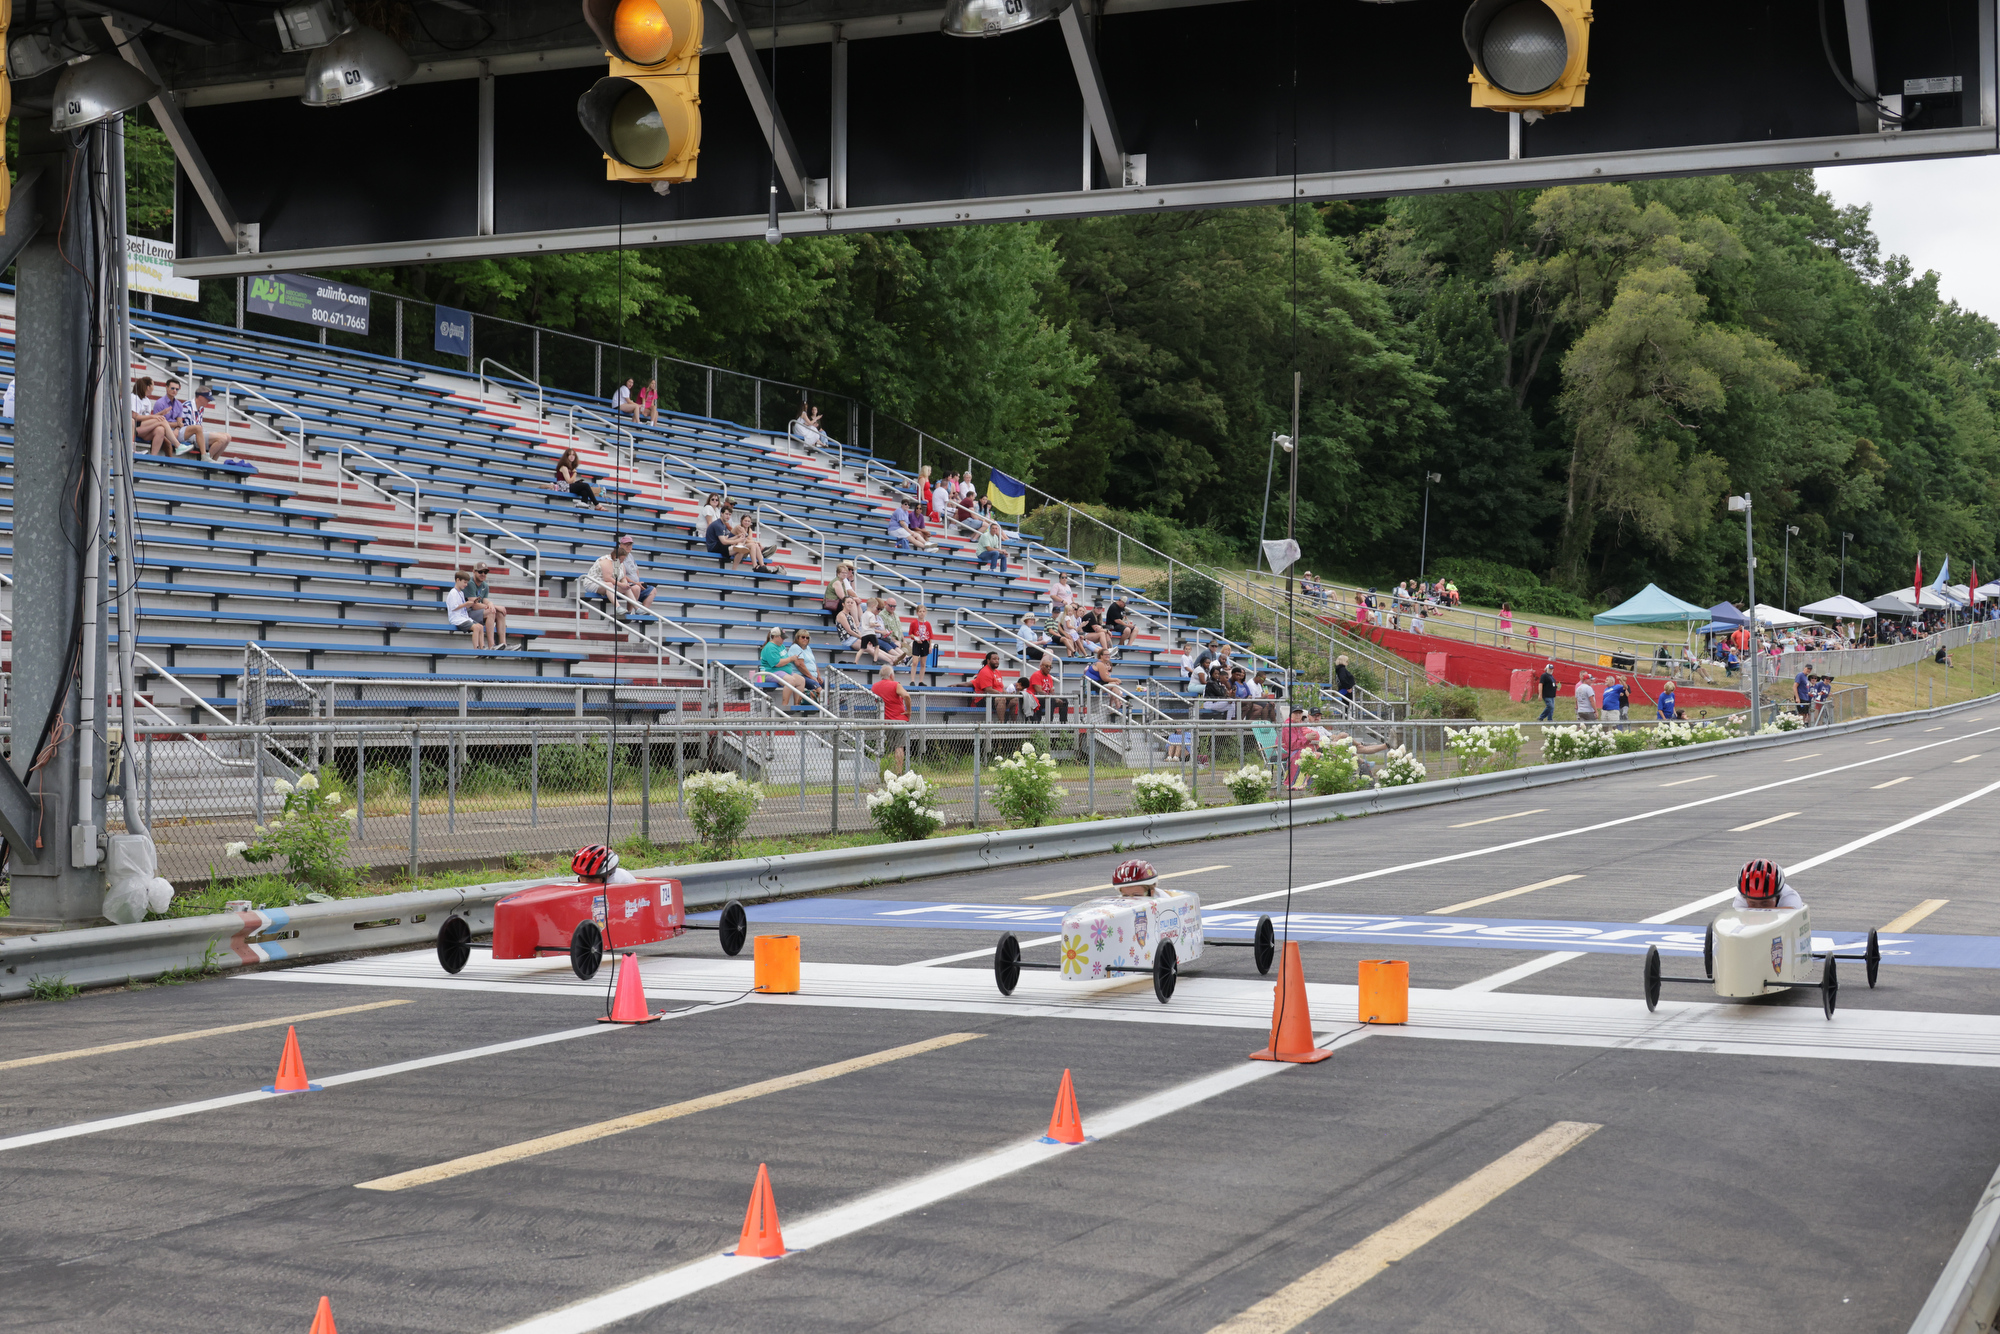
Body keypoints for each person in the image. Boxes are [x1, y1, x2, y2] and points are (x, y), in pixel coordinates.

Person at [586, 535, 656, 609]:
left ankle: (640, 611)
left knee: (652, 590)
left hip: (623, 584)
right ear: (620, 545)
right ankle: (625, 610)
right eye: (626, 544)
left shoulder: (629, 557)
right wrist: (628, 584)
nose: (628, 546)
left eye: (630, 545)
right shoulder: (609, 560)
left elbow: (626, 575)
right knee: (633, 588)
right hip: (598, 583)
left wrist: (633, 583)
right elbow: (608, 578)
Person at [871, 663, 912, 773]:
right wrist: (908, 710)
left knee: (890, 746)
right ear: (891, 675)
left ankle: (888, 770)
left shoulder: (875, 687)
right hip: (899, 719)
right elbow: (907, 696)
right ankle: (898, 771)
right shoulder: (895, 685)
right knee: (899, 747)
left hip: (885, 720)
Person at [760, 627, 806, 709]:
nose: (783, 640)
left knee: (801, 680)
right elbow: (777, 663)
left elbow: (784, 659)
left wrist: (791, 659)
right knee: (791, 680)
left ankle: (797, 705)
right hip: (772, 672)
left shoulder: (781, 646)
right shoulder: (770, 647)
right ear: (775, 636)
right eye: (782, 637)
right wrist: (791, 659)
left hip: (784, 671)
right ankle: (785, 706)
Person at [444, 571, 491, 649]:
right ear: (458, 580)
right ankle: (476, 649)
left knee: (480, 627)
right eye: (464, 582)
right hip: (457, 619)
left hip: (464, 617)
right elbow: (454, 607)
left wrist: (471, 603)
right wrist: (466, 604)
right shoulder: (453, 593)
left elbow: (463, 607)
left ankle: (482, 648)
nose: (466, 585)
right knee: (476, 628)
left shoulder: (461, 593)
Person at [466, 564, 510, 647]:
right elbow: (474, 605)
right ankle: (491, 645)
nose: (483, 574)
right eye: (480, 572)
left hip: (477, 613)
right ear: (474, 572)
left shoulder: (485, 586)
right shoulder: (470, 583)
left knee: (500, 613)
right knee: (491, 612)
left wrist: (491, 604)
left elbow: (485, 601)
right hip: (466, 612)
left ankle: (503, 644)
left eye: (485, 572)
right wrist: (494, 606)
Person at [1733, 859, 1803, 911]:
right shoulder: (1740, 899)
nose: (1759, 908)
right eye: (1752, 903)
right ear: (1744, 897)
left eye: (1765, 903)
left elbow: (1791, 916)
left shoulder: (1790, 896)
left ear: (1778, 896)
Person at [858, 596, 906, 667]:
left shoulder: (879, 617)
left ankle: (905, 657)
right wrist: (881, 632)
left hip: (879, 637)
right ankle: (900, 658)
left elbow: (882, 629)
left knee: (891, 643)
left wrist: (885, 632)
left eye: (881, 609)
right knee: (885, 644)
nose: (879, 611)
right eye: (878, 609)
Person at [777, 629, 823, 697]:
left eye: (807, 637)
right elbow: (800, 665)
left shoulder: (808, 648)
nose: (805, 639)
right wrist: (811, 677)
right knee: (819, 689)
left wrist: (818, 676)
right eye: (803, 637)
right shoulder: (795, 647)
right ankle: (821, 706)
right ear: (797, 638)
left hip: (812, 676)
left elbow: (813, 663)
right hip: (802, 676)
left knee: (828, 684)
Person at [970, 651, 1013, 720]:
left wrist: (1007, 693)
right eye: (994, 659)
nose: (997, 661)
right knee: (1001, 699)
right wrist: (1002, 695)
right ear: (988, 660)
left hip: (997, 696)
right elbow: (988, 689)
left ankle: (1013, 725)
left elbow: (1001, 687)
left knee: (1015, 700)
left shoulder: (997, 672)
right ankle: (1001, 726)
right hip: (984, 698)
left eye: (998, 659)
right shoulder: (985, 671)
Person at [907, 605, 935, 684]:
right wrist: (916, 638)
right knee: (915, 662)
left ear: (925, 613)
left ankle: (921, 681)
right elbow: (910, 634)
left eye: (923, 611)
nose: (922, 613)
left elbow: (930, 636)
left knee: (923, 663)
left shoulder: (928, 624)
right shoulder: (914, 623)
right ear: (917, 613)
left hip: (925, 643)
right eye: (920, 611)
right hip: (917, 643)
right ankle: (912, 680)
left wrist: (930, 646)